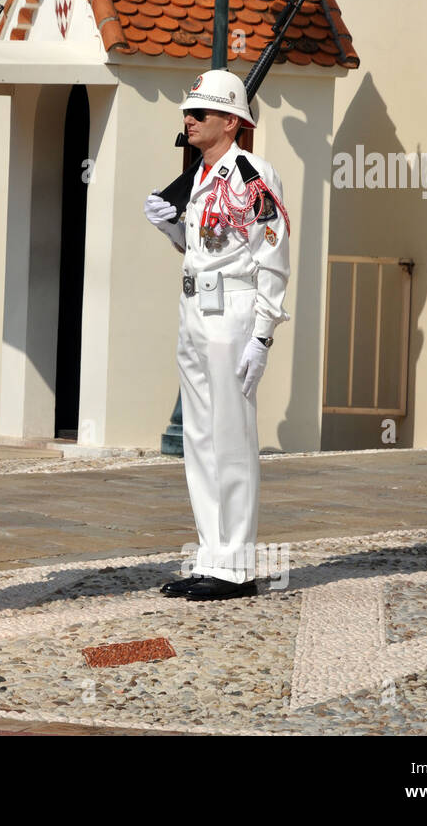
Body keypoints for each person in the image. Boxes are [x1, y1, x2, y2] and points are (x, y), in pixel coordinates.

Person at [144, 69, 291, 600]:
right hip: (195, 313)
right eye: (188, 111)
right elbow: (202, 247)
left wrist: (263, 335)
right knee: (200, 440)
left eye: (200, 113)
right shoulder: (203, 176)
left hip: (232, 316)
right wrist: (169, 225)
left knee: (230, 439)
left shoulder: (252, 175)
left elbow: (271, 257)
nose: (189, 119)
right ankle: (211, 556)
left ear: (231, 122)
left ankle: (237, 565)